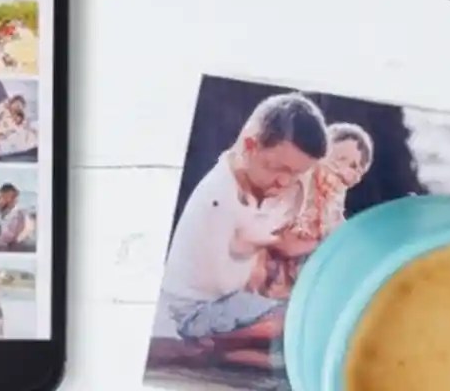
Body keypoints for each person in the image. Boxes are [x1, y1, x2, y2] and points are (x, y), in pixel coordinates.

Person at [150, 92, 329, 370]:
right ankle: (209, 346)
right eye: (277, 168)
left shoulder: (260, 185)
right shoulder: (219, 195)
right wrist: (284, 246)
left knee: (296, 338)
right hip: (190, 312)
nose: (285, 181)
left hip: (224, 304)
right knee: (293, 321)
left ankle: (223, 352)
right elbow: (244, 250)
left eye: (295, 173)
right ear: (250, 146)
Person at [256, 122, 376, 298]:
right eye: (339, 159)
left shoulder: (339, 225)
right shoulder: (292, 190)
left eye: (355, 167)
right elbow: (281, 243)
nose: (343, 171)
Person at [0, 184, 34, 251]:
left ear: (10, 199)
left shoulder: (21, 214)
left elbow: (27, 231)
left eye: (0, 198)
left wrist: (15, 242)